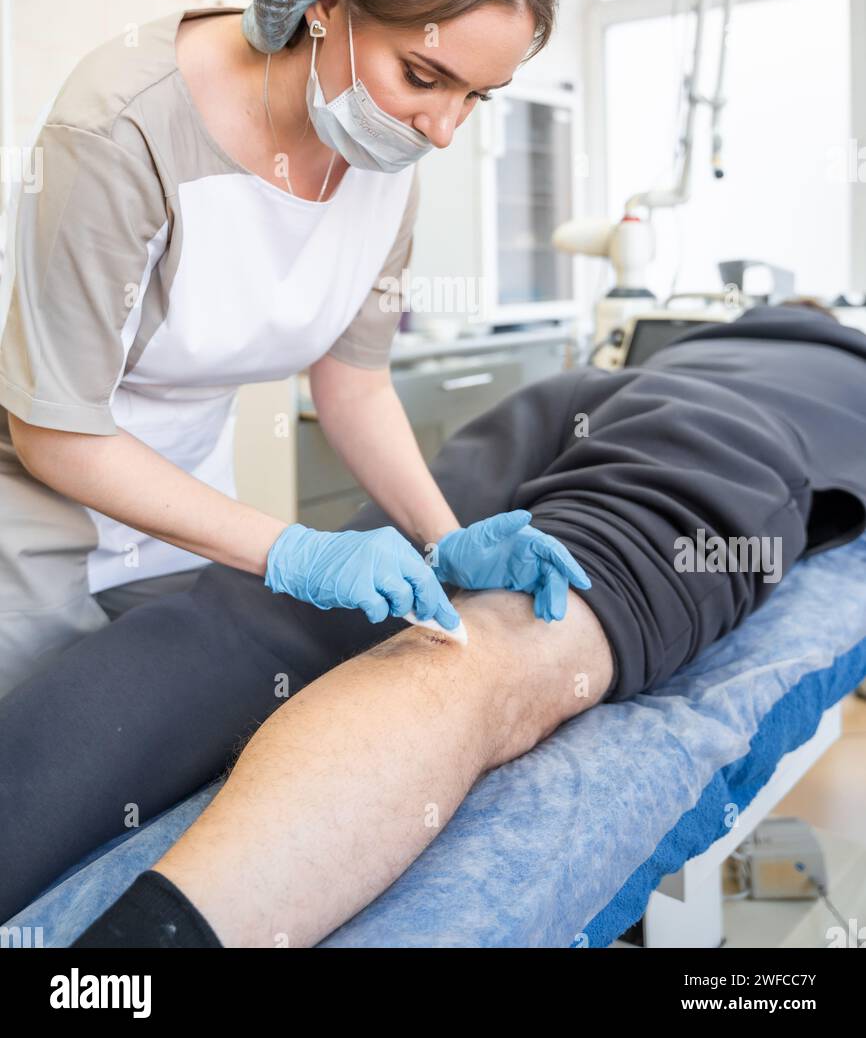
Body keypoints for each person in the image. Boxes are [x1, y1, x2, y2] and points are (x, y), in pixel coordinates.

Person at [2, 302, 865, 934]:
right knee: (490, 648)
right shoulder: (840, 368)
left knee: (265, 620)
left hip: (568, 403)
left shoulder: (707, 342)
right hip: (732, 435)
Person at [0, 0, 587, 698]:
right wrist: (293, 549)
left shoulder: (382, 145)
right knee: (43, 770)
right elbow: (55, 430)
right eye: (424, 77)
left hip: (188, 506)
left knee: (174, 738)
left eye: (478, 97)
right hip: (38, 515)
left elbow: (354, 386)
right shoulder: (121, 132)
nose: (443, 128)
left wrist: (442, 537)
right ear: (327, 1)